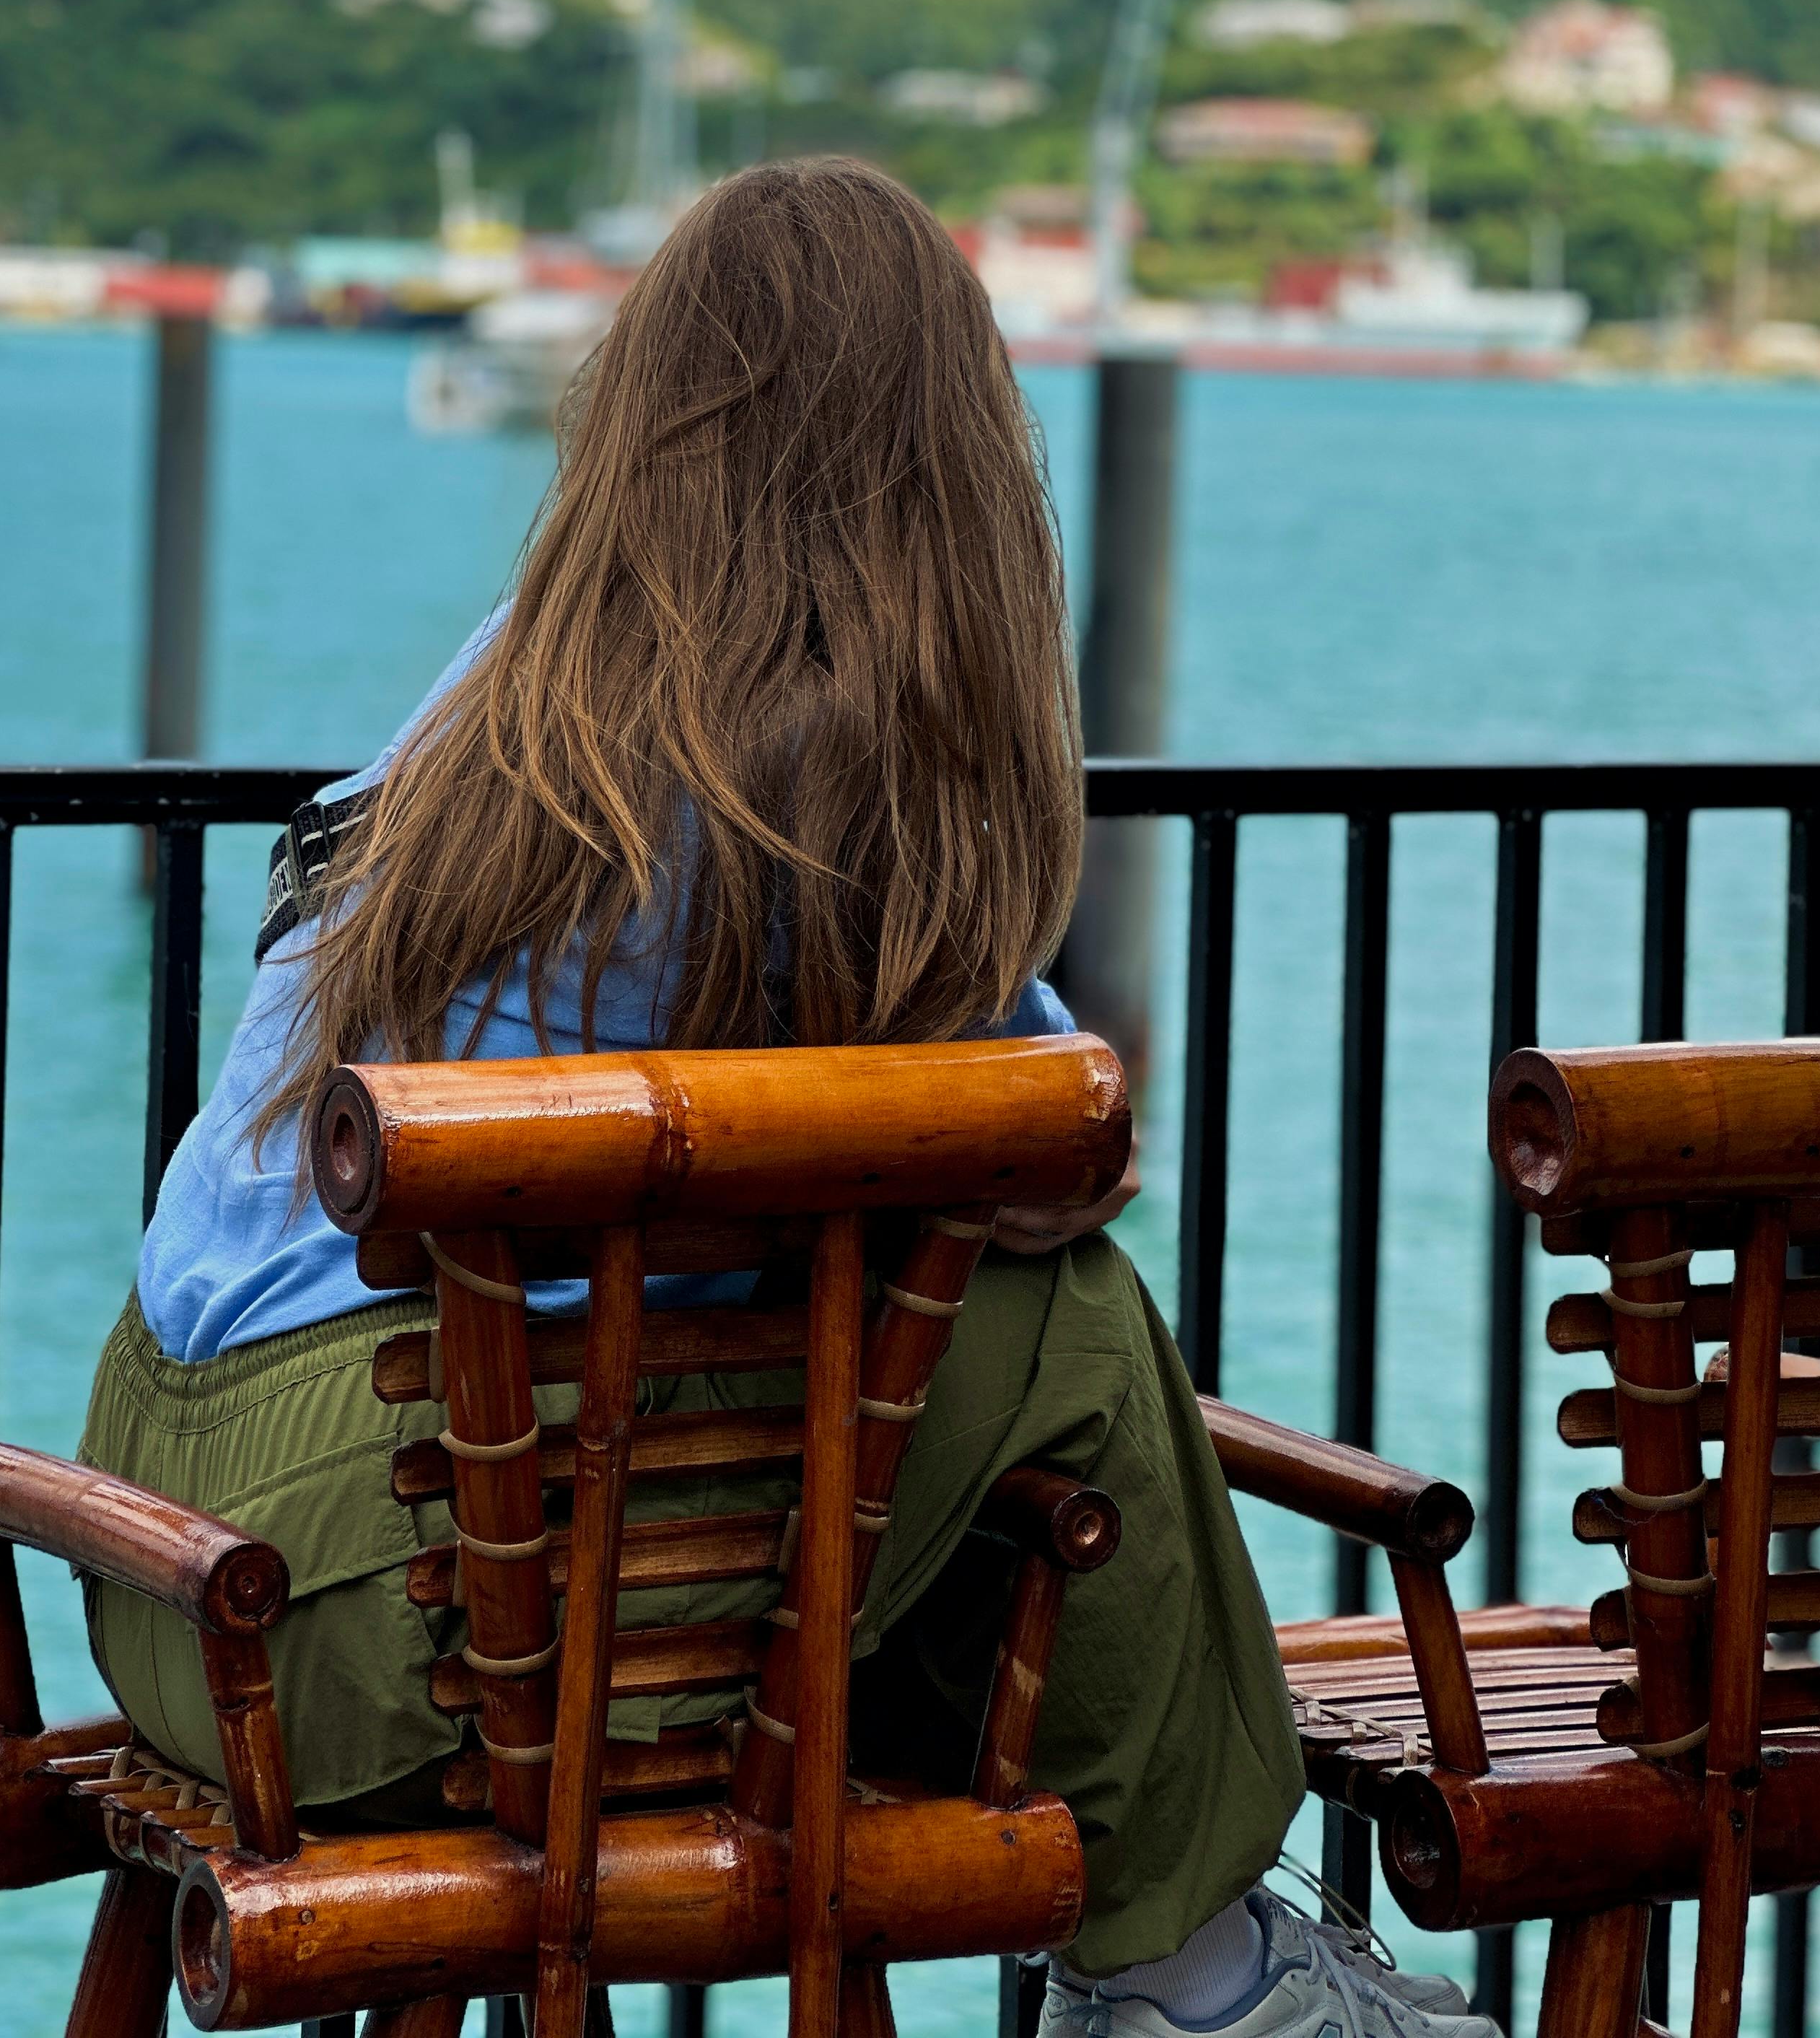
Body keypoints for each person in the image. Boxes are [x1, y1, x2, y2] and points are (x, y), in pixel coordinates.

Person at [79, 159, 1489, 2038]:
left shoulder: (514, 700)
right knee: (1046, 1323)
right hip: (393, 1623)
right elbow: (1056, 1157)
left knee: (874, 1367)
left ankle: (1194, 1956)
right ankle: (1200, 1974)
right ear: (948, 458)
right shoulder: (820, 754)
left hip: (165, 1580)